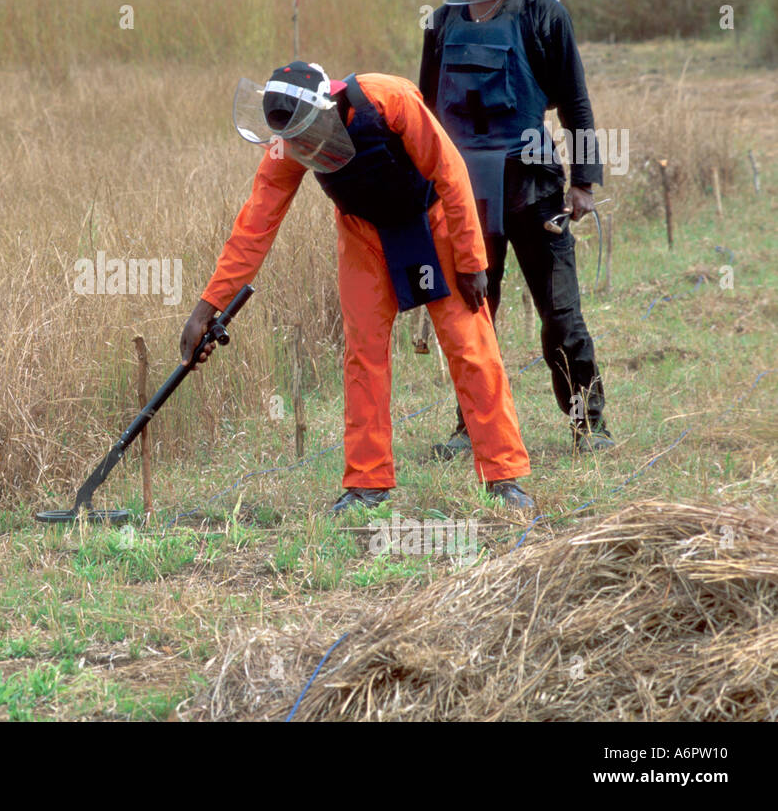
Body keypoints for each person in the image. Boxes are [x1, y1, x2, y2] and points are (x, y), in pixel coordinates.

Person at [181, 61, 534, 511]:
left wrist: (471, 261)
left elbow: (451, 173)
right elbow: (255, 226)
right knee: (363, 354)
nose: (303, 147)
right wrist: (205, 309)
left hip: (433, 222)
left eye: (308, 135)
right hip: (363, 236)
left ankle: (503, 475)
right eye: (294, 141)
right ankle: (368, 483)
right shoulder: (288, 145)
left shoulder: (390, 100)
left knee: (470, 345)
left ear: (328, 106)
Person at [420, 0, 614, 459]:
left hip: (532, 188)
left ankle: (588, 425)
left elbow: (575, 102)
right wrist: (423, 186)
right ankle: (470, 429)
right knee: (472, 317)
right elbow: (425, 112)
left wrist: (584, 183)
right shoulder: (442, 20)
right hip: (464, 196)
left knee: (561, 316)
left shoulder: (542, 13)